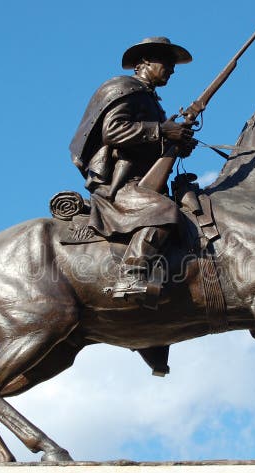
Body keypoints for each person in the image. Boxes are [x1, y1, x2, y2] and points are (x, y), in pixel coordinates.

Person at [69, 37, 197, 300]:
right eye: (167, 63)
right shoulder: (126, 88)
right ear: (145, 61)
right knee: (164, 210)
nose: (172, 70)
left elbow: (147, 145)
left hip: (142, 180)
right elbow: (112, 131)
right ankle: (132, 273)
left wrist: (177, 142)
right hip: (121, 184)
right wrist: (162, 130)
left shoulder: (151, 101)